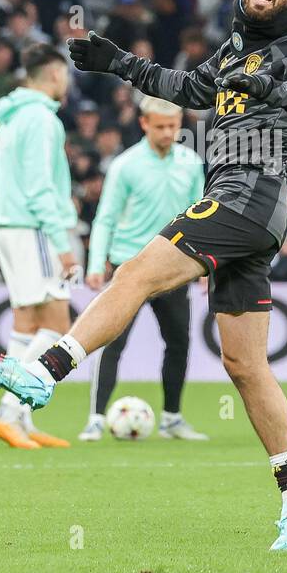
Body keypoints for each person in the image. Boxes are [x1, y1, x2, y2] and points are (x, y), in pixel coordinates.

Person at [0, 0, 287, 550]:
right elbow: (188, 90)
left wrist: (271, 89)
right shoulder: (232, 48)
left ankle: (46, 370)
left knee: (136, 272)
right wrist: (117, 62)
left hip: (246, 196)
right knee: (244, 364)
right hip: (249, 211)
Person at [80, 96, 207, 441]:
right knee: (111, 341)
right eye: (161, 126)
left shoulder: (191, 162)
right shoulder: (126, 165)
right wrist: (95, 264)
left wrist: (206, 267)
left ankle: (172, 418)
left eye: (174, 126)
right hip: (130, 266)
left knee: (179, 342)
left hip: (173, 268)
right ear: (144, 124)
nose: (168, 132)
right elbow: (105, 216)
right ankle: (94, 418)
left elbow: (202, 217)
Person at [0, 43, 76, 451]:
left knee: (28, 325)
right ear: (55, 74)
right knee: (59, 327)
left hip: (9, 225)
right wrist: (61, 240)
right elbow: (40, 187)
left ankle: (20, 416)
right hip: (33, 229)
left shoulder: (10, 118)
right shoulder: (40, 119)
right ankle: (7, 410)